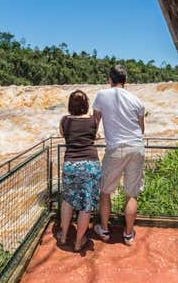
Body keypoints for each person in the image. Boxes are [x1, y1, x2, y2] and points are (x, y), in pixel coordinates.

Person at [92, 65, 145, 246]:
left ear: (110, 79)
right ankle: (128, 235)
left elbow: (94, 122)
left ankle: (104, 229)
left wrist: (95, 133)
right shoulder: (137, 100)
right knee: (131, 194)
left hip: (115, 148)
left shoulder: (101, 95)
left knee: (105, 191)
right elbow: (141, 128)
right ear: (125, 80)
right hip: (137, 147)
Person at [57, 90, 102, 252]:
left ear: (70, 105)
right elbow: (95, 135)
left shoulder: (64, 121)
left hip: (71, 164)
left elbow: (63, 134)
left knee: (68, 200)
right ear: (86, 105)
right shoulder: (93, 120)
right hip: (90, 165)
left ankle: (63, 236)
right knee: (86, 204)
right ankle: (78, 242)